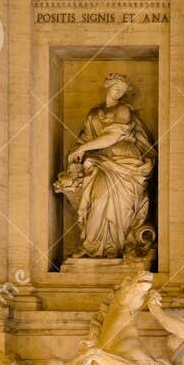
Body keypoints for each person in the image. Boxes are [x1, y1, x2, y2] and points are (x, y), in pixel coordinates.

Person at [57, 74, 155, 257]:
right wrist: (77, 153)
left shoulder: (124, 110)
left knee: (121, 206)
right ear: (108, 86)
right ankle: (92, 247)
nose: (120, 93)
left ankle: (116, 248)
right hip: (101, 162)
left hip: (124, 161)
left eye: (123, 91)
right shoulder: (94, 114)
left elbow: (113, 136)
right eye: (117, 88)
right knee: (98, 199)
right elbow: (85, 138)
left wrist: (84, 148)